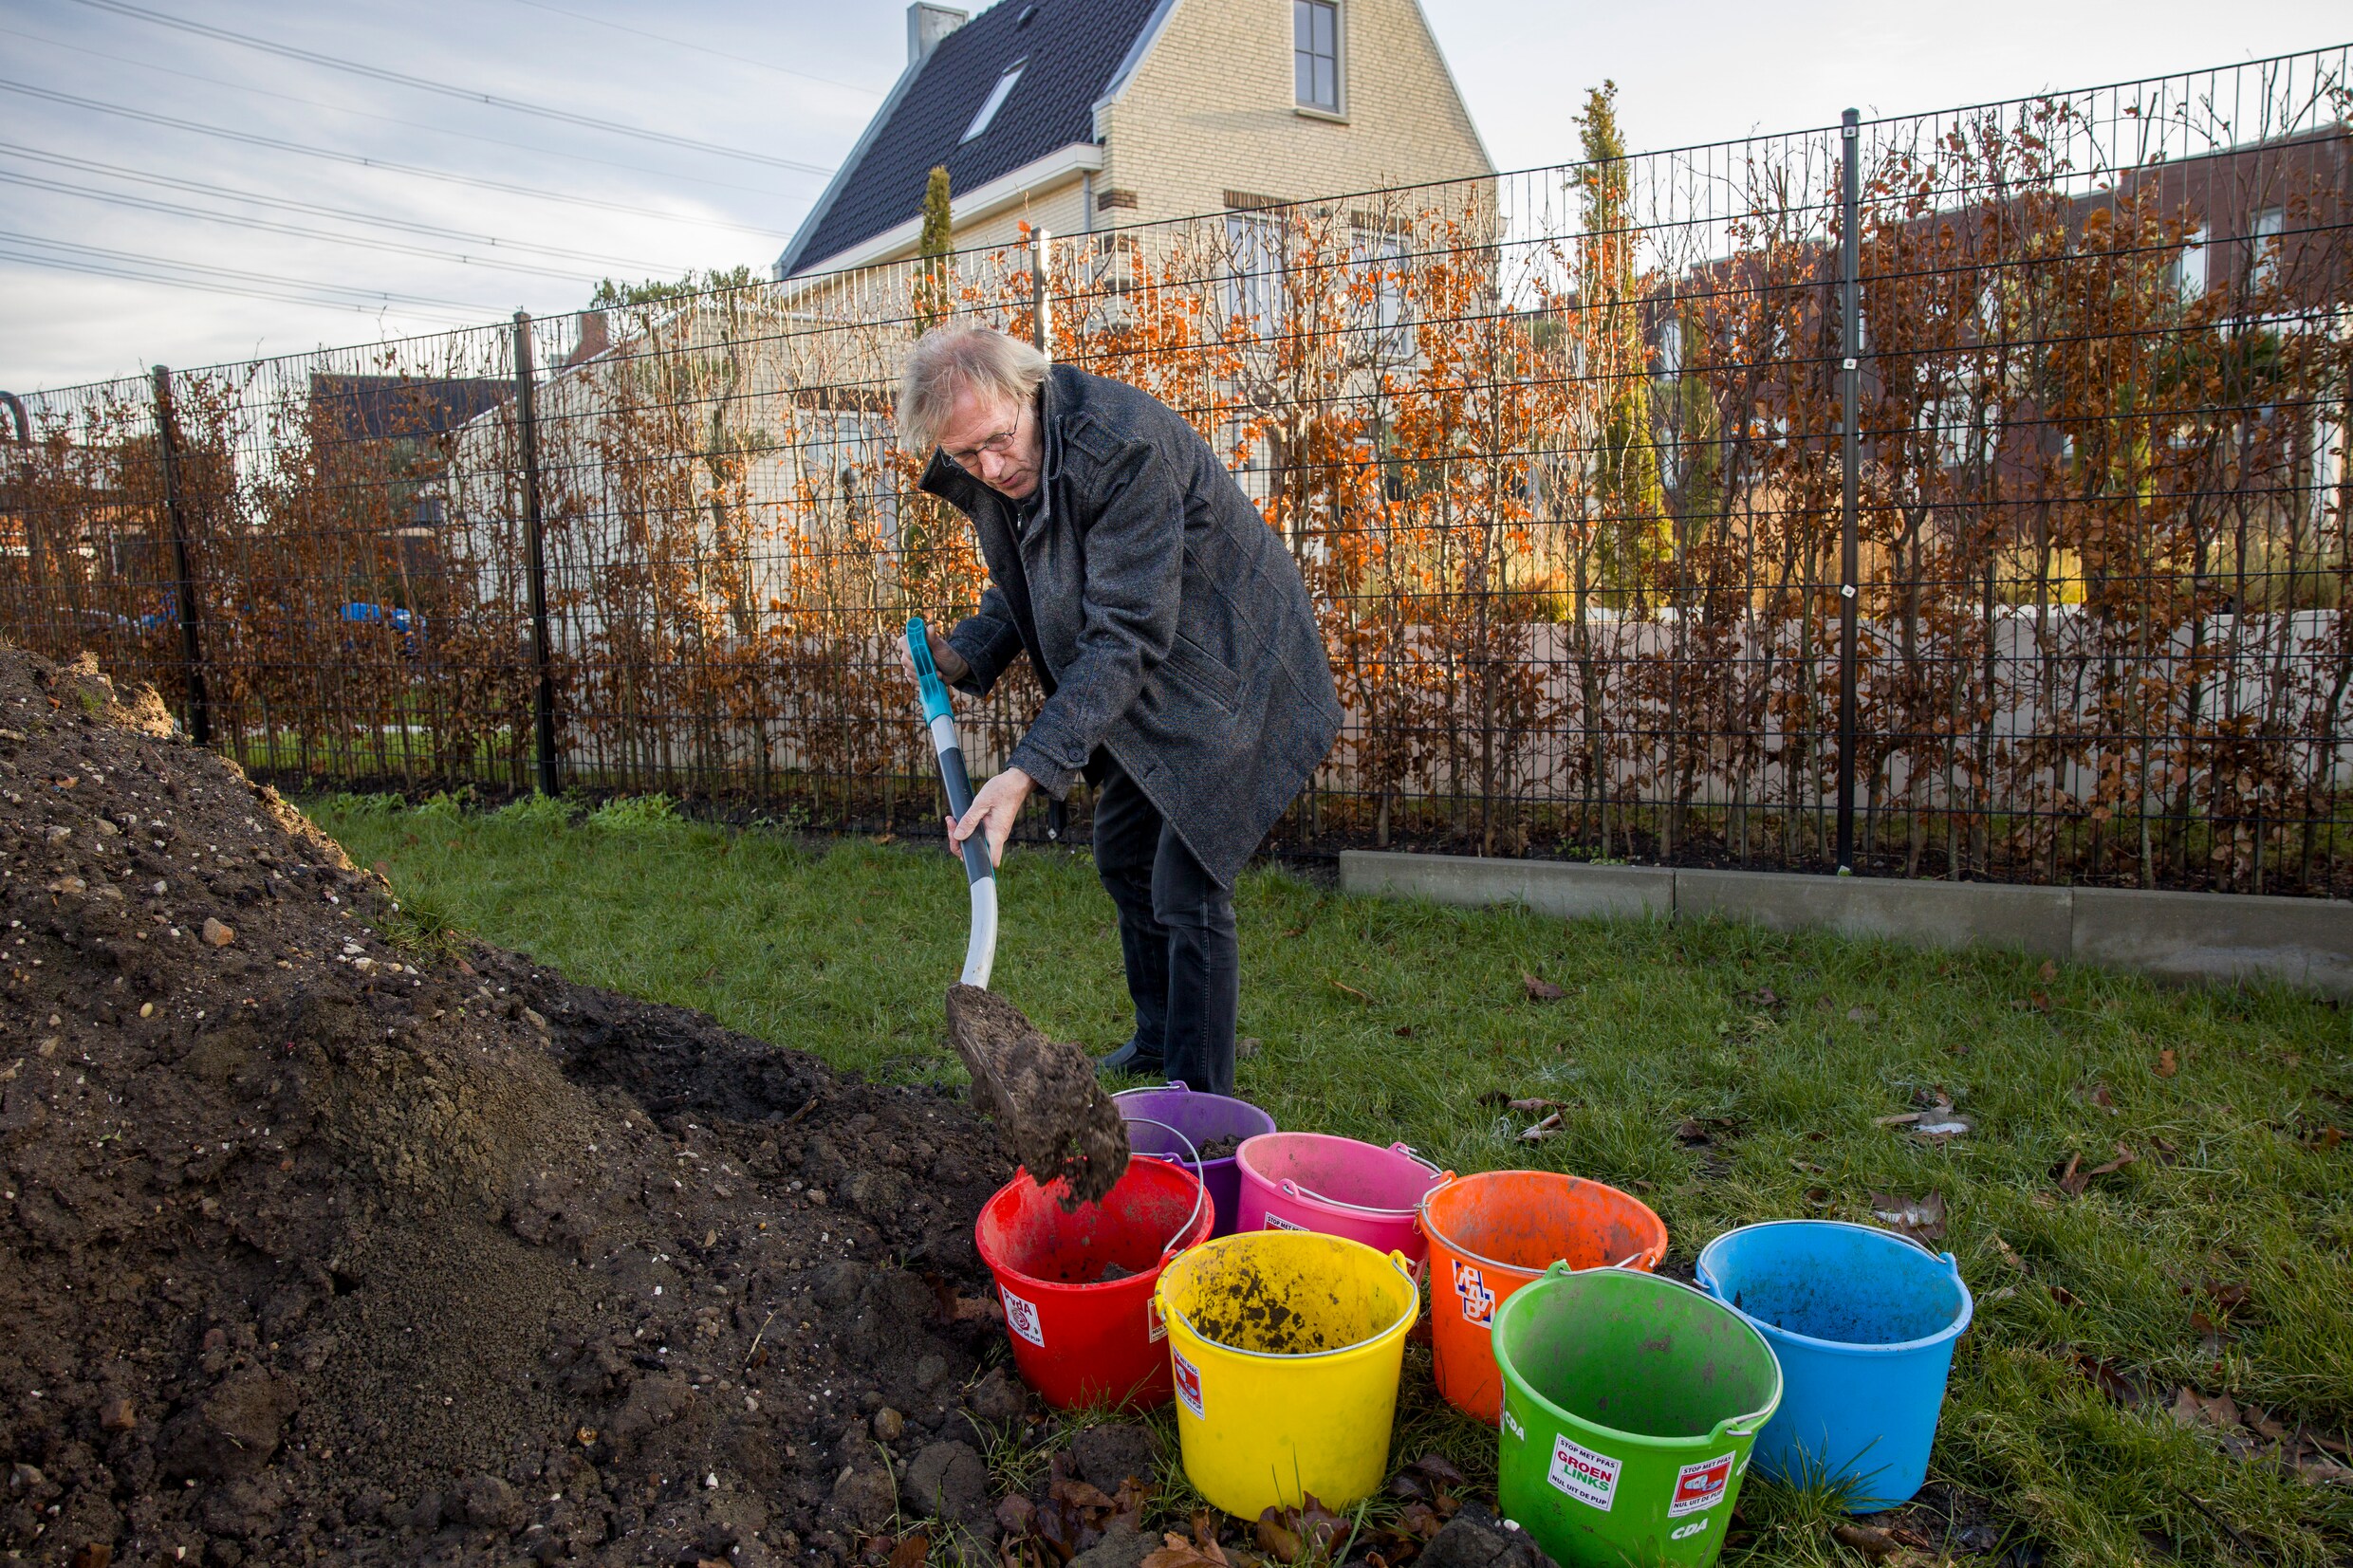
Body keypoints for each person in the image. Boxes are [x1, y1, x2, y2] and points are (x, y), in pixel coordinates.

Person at [896, 325, 1340, 1097]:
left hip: (1235, 660)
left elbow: (1125, 633)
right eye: (966, 455)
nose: (990, 468)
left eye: (998, 441)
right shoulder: (1012, 465)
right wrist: (964, 653)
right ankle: (1159, 1039)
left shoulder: (1121, 449)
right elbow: (1033, 579)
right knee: (1124, 852)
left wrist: (1026, 773)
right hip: (1157, 669)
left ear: (1029, 390)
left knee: (1187, 882)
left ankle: (1200, 1105)